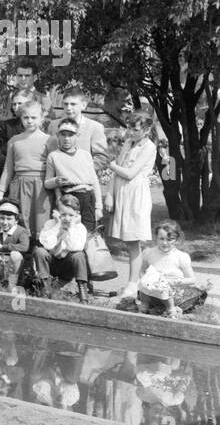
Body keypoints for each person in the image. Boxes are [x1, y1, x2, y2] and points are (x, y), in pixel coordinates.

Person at [104, 111, 156, 295]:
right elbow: (118, 171)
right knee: (127, 241)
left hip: (136, 195)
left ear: (147, 129)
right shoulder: (128, 143)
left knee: (133, 241)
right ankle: (135, 281)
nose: (131, 132)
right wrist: (110, 194)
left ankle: (133, 283)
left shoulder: (149, 147)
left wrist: (110, 164)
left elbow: (129, 173)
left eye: (135, 129)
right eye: (129, 128)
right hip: (123, 193)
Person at [0, 100, 50, 236]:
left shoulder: (50, 140)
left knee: (41, 223)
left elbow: (54, 168)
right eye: (26, 117)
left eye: (34, 117)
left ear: (42, 118)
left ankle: (39, 253)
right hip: (19, 185)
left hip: (41, 187)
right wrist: (0, 192)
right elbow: (8, 169)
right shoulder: (14, 141)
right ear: (21, 118)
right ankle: (20, 253)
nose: (29, 121)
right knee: (20, 222)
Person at [134, 221, 209, 317]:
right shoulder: (149, 253)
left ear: (177, 240)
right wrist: (145, 278)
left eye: (169, 240)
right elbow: (142, 270)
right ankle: (144, 307)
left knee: (167, 287)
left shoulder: (181, 257)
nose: (165, 243)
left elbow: (192, 279)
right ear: (156, 237)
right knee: (144, 284)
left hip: (173, 294)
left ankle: (171, 309)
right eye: (161, 239)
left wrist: (174, 282)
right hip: (151, 293)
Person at [44, 117, 102, 233]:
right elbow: (47, 183)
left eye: (70, 135)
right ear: (57, 135)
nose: (66, 139)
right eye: (63, 135)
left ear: (77, 135)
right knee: (69, 231)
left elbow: (94, 181)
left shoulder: (85, 155)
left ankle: (87, 250)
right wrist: (56, 181)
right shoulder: (54, 156)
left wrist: (98, 206)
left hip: (87, 196)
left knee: (88, 231)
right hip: (68, 198)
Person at [31, 194, 92, 302]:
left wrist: (71, 227)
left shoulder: (79, 228)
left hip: (68, 266)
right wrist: (57, 225)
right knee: (40, 251)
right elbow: (47, 245)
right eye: (63, 214)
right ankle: (45, 288)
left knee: (79, 255)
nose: (67, 218)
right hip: (52, 264)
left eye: (71, 215)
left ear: (77, 215)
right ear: (57, 213)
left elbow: (75, 247)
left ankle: (82, 292)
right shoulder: (50, 224)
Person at [44, 86, 109, 172]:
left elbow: (101, 158)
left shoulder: (94, 127)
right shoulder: (53, 125)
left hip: (83, 179)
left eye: (73, 104)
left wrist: (82, 170)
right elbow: (48, 153)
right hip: (57, 179)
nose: (69, 108)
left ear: (83, 105)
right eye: (66, 104)